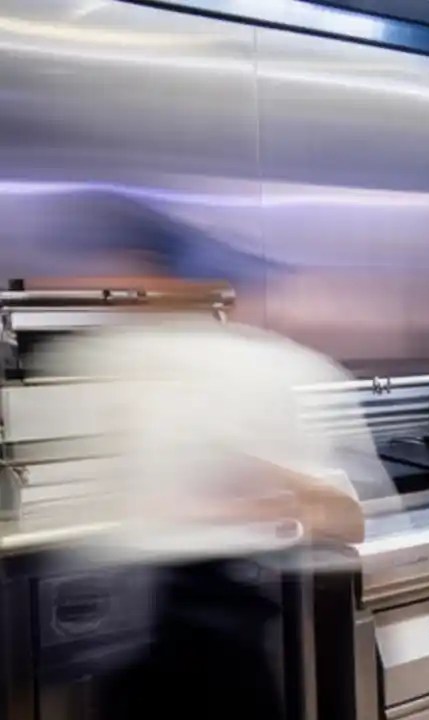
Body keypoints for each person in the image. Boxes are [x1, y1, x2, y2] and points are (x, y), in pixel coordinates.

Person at [32, 190, 387, 720]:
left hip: (219, 631)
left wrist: (254, 493)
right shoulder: (105, 360)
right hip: (132, 642)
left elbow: (347, 515)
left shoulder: (263, 369)